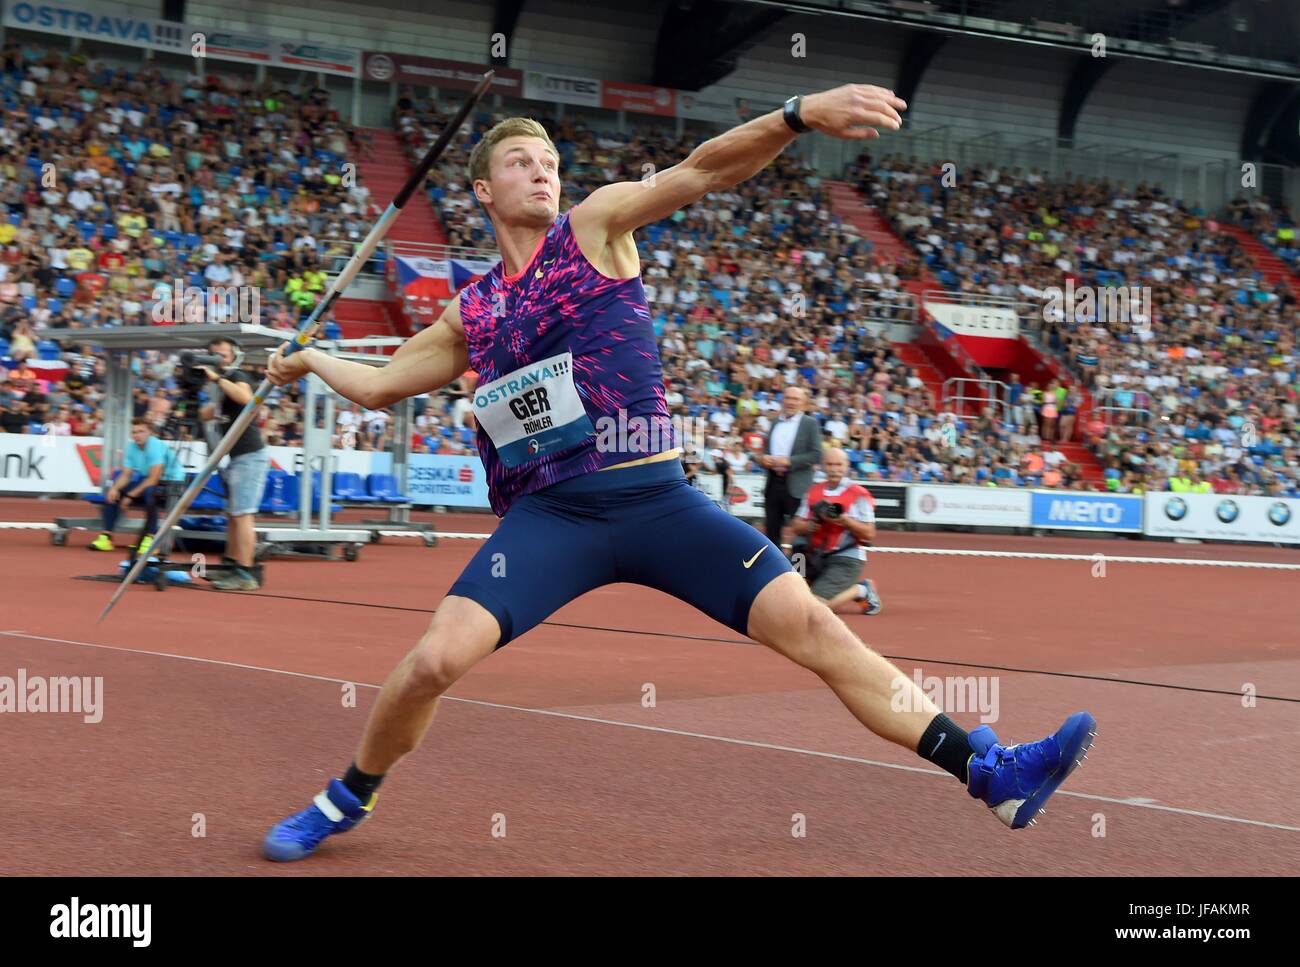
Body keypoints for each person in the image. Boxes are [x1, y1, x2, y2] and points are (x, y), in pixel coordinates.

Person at [261, 86, 1096, 862]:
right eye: (520, 162)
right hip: (551, 519)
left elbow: (703, 169)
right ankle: (349, 796)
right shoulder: (471, 310)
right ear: (482, 190)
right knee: (433, 663)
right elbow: (378, 382)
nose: (541, 170)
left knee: (818, 629)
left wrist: (798, 113)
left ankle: (992, 775)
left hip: (658, 499)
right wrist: (311, 360)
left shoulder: (593, 227)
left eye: (549, 159)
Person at [199, 336, 270, 590]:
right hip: (238, 458)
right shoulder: (219, 387)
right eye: (214, 354)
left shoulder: (237, 375)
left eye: (224, 354)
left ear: (233, 356)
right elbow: (207, 413)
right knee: (233, 515)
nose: (219, 358)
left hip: (250, 456)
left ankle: (246, 573)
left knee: (242, 515)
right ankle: (231, 564)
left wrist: (218, 378)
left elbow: (245, 398)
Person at [789, 448, 882, 615]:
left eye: (838, 465)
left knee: (814, 608)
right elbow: (795, 525)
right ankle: (827, 587)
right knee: (792, 596)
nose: (834, 469)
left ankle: (861, 590)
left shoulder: (859, 494)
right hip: (814, 555)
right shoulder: (813, 492)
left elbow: (869, 533)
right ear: (823, 466)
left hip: (846, 557)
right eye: (830, 464)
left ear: (846, 466)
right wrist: (810, 525)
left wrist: (844, 520)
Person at [89, 418, 186, 556]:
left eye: (141, 431)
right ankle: (106, 538)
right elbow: (126, 475)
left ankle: (150, 539)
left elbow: (153, 478)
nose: (137, 435)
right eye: (134, 432)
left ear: (150, 433)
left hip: (173, 485)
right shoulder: (131, 447)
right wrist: (114, 488)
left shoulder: (155, 446)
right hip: (151, 483)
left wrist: (130, 496)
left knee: (150, 493)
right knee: (113, 494)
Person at [758, 385, 822, 549]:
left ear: (804, 402)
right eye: (788, 398)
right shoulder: (774, 422)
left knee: (801, 535)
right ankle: (776, 572)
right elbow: (766, 450)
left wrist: (789, 461)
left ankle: (801, 571)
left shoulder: (810, 424)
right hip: (773, 483)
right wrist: (764, 458)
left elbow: (816, 454)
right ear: (782, 400)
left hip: (797, 485)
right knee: (772, 532)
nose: (791, 402)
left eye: (796, 399)